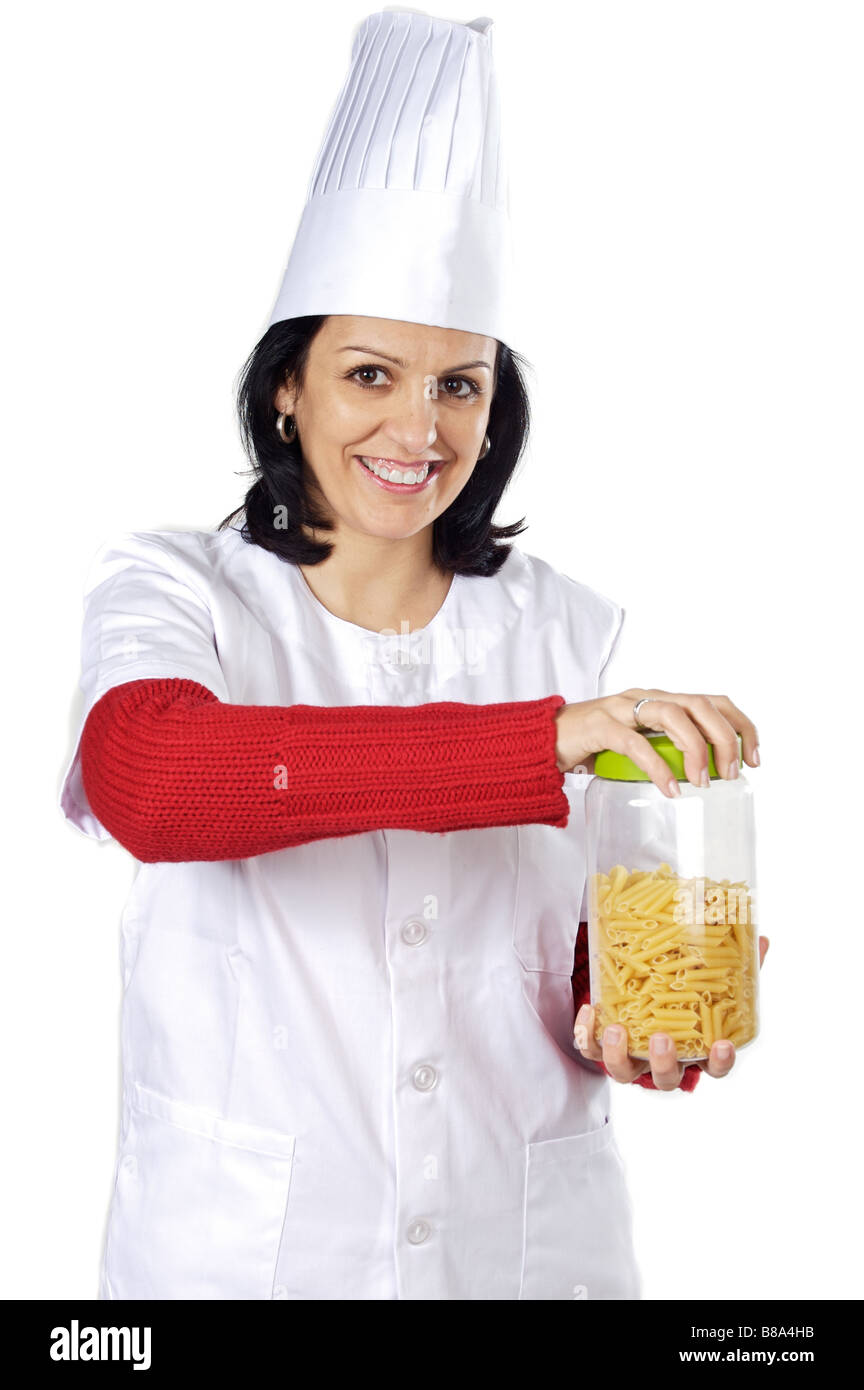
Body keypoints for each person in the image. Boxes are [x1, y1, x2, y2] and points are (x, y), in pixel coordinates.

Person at [59, 10, 764, 1301]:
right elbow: (153, 785)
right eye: (371, 372)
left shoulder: (567, 626)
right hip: (245, 1261)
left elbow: (569, 972)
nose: (419, 429)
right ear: (291, 386)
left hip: (526, 1257)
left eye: (461, 385)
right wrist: (539, 740)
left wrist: (634, 1014)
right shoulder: (179, 589)